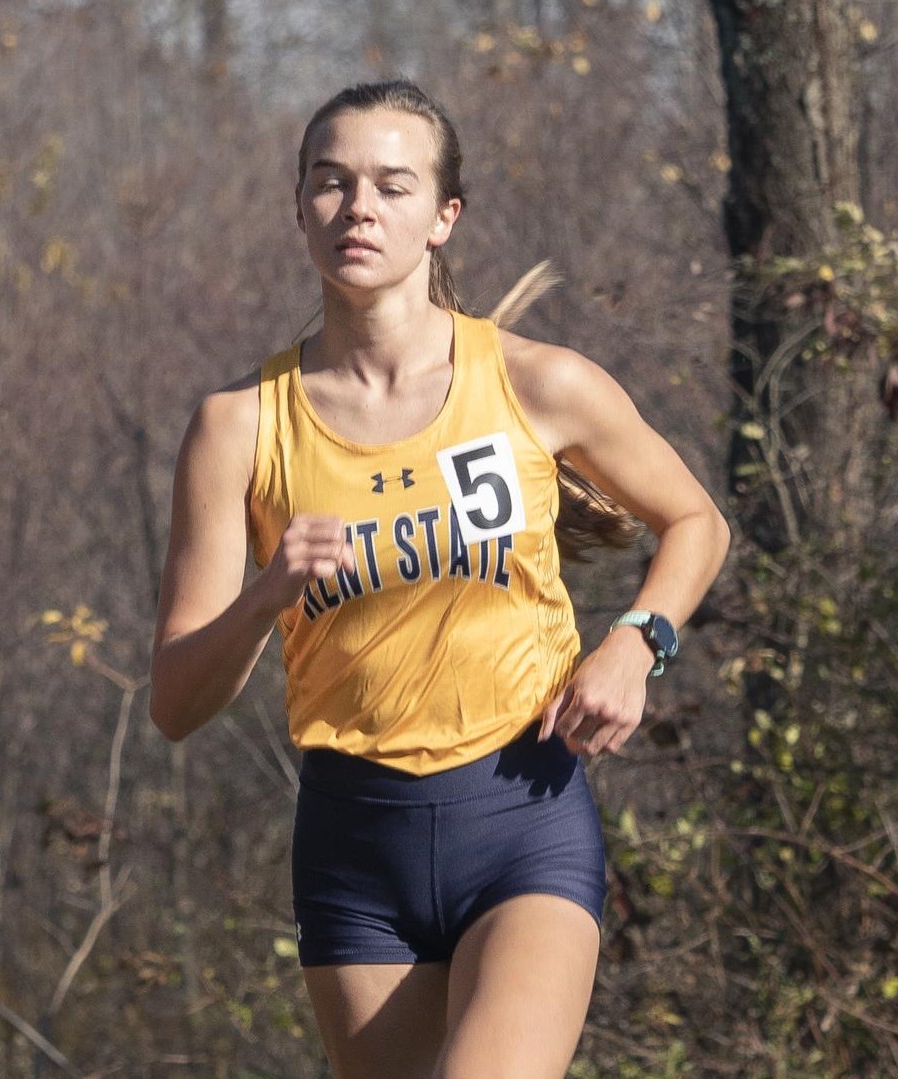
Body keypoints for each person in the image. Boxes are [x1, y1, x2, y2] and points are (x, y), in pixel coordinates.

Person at [150, 81, 729, 1078]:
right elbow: (172, 702)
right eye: (330, 183)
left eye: (391, 184)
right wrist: (262, 598)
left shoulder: (538, 382)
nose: (358, 208)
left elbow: (695, 521)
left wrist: (638, 641)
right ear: (298, 207)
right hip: (352, 839)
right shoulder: (239, 425)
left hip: (521, 814)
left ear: (442, 217)